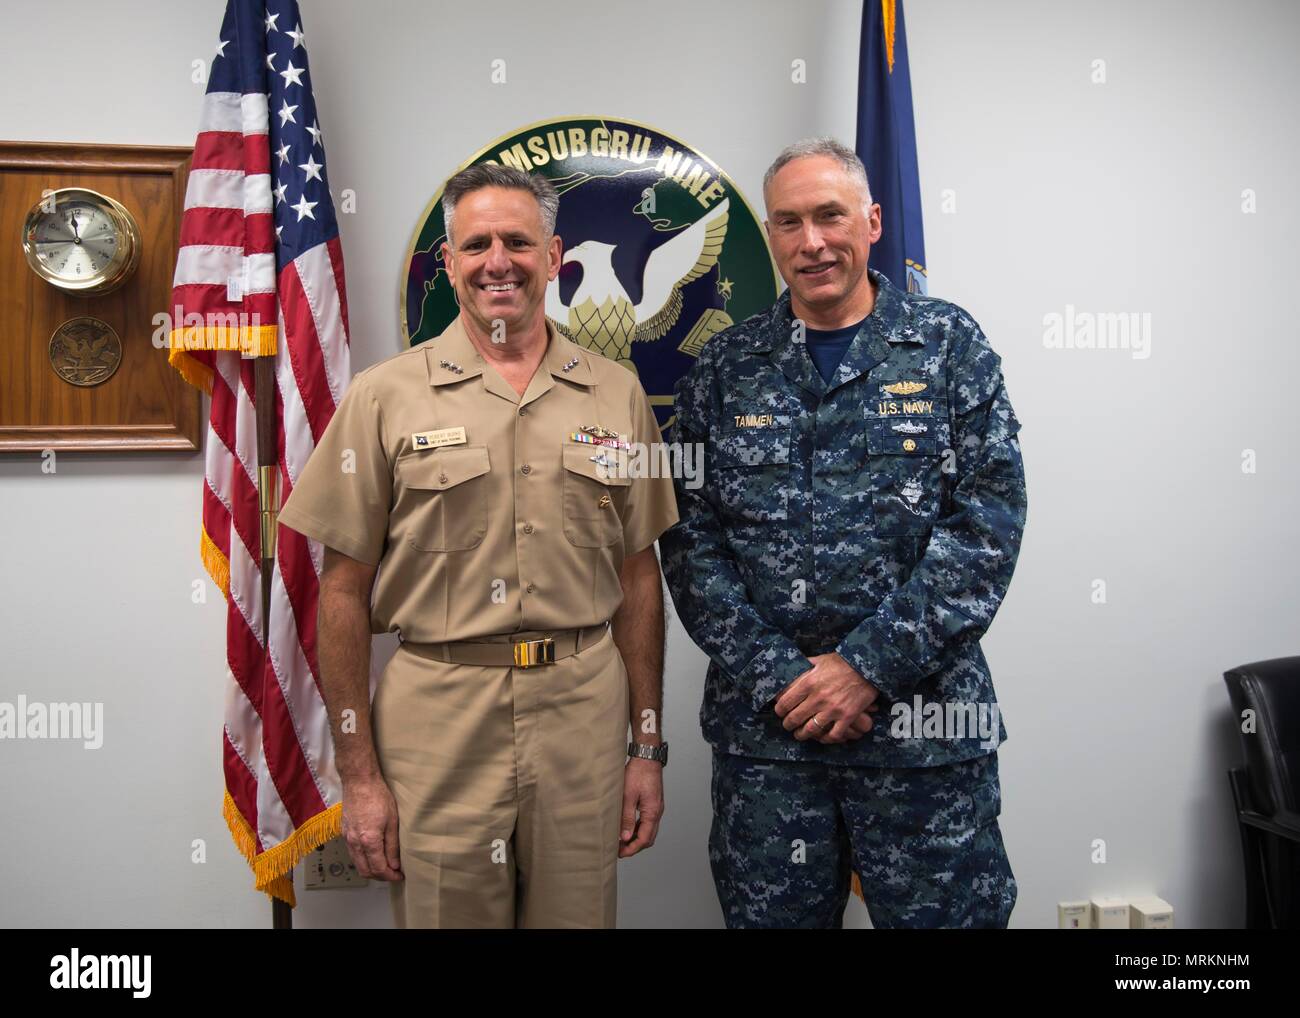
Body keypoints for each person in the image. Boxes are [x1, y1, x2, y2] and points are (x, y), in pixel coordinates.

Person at [278, 164, 678, 928]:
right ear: (450, 262)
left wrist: (647, 746)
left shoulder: (615, 392)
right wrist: (358, 775)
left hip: (582, 712)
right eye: (477, 244)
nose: (499, 260)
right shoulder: (384, 397)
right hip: (438, 714)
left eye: (519, 242)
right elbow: (341, 592)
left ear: (555, 256)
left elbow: (638, 576)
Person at [660, 137, 1027, 928]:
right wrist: (784, 676)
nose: (812, 241)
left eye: (830, 215)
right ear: (771, 237)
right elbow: (689, 543)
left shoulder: (948, 348)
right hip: (772, 743)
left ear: (873, 220)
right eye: (789, 223)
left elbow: (986, 529)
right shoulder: (723, 370)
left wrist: (866, 666)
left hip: (924, 734)